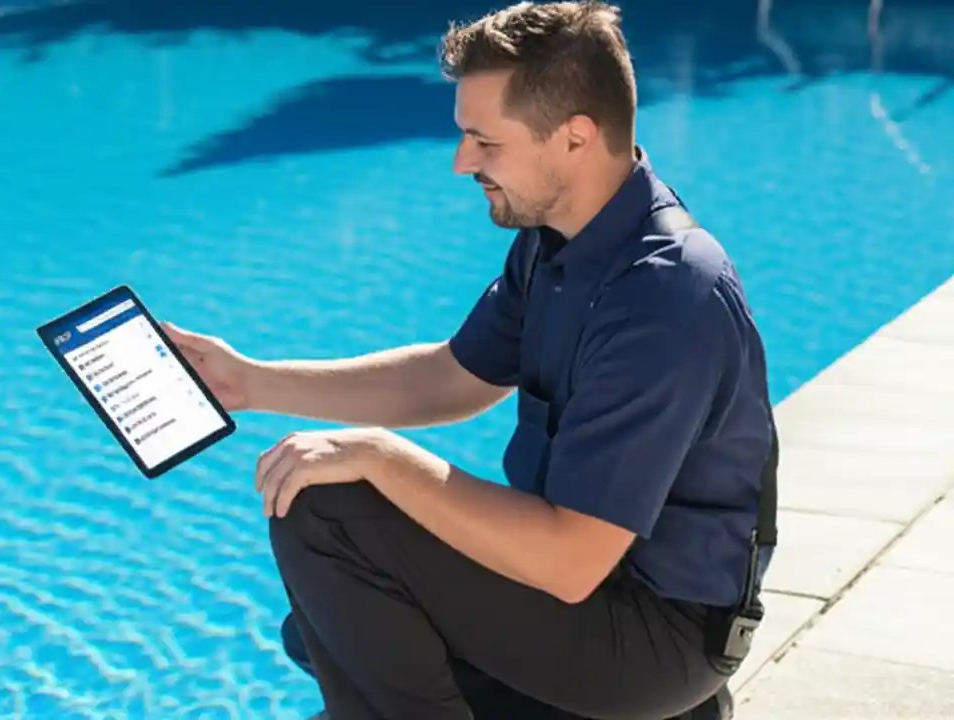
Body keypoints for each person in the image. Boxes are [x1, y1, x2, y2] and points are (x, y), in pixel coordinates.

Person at [162, 2, 776, 718]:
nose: (462, 162)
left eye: (484, 141)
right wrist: (251, 382)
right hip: (591, 598)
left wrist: (384, 459)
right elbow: (452, 377)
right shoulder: (560, 241)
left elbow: (569, 561)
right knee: (329, 627)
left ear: (575, 138)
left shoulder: (665, 297)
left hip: (657, 640)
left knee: (328, 517)